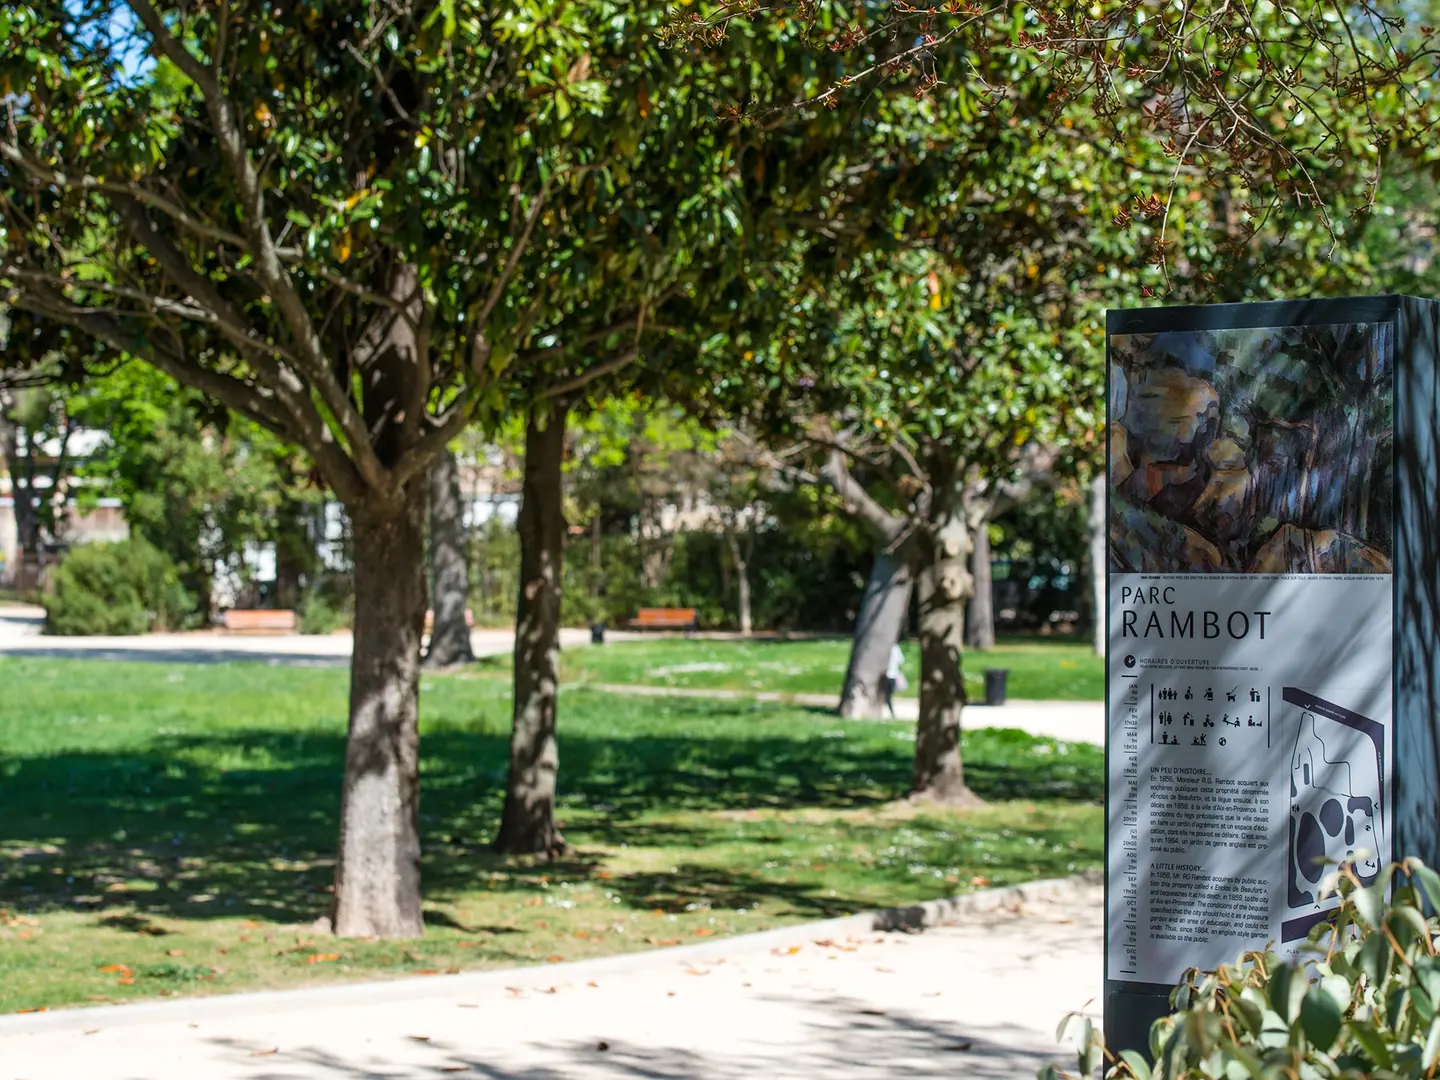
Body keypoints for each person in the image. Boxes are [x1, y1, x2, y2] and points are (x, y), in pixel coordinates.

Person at [883, 640, 907, 718]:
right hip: (893, 674)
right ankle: (891, 711)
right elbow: (901, 661)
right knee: (888, 694)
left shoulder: (886, 648)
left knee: (887, 694)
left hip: (887, 674)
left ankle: (891, 711)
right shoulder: (896, 648)